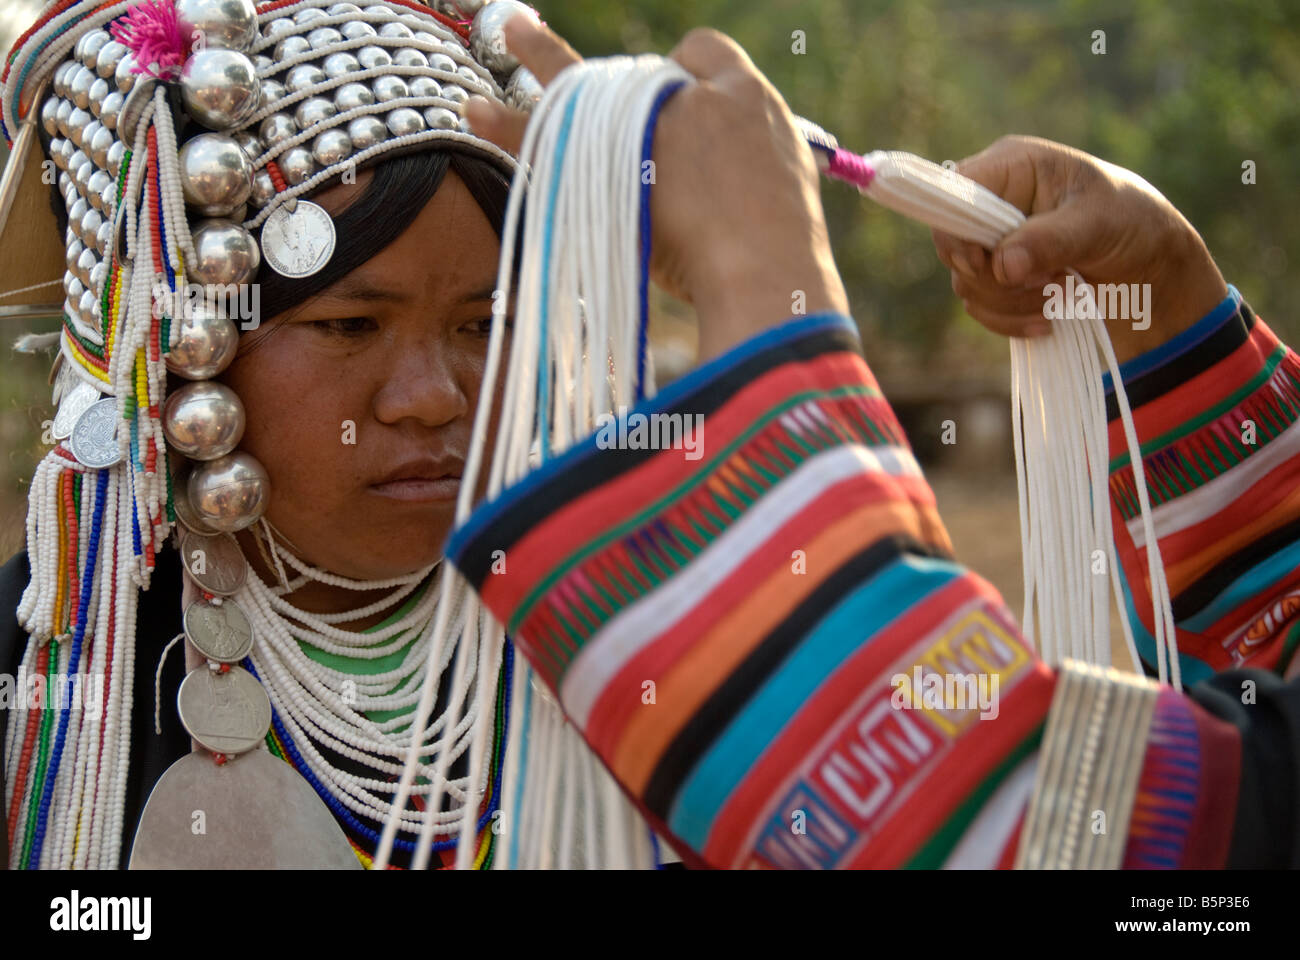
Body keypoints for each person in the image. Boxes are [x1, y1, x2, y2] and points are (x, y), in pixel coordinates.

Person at [0, 1, 1289, 872]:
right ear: (183, 349)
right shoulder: (54, 707)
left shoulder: (603, 658)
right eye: (347, 328)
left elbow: (1001, 815)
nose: (430, 398)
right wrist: (1175, 314)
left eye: (487, 321)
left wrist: (757, 269)